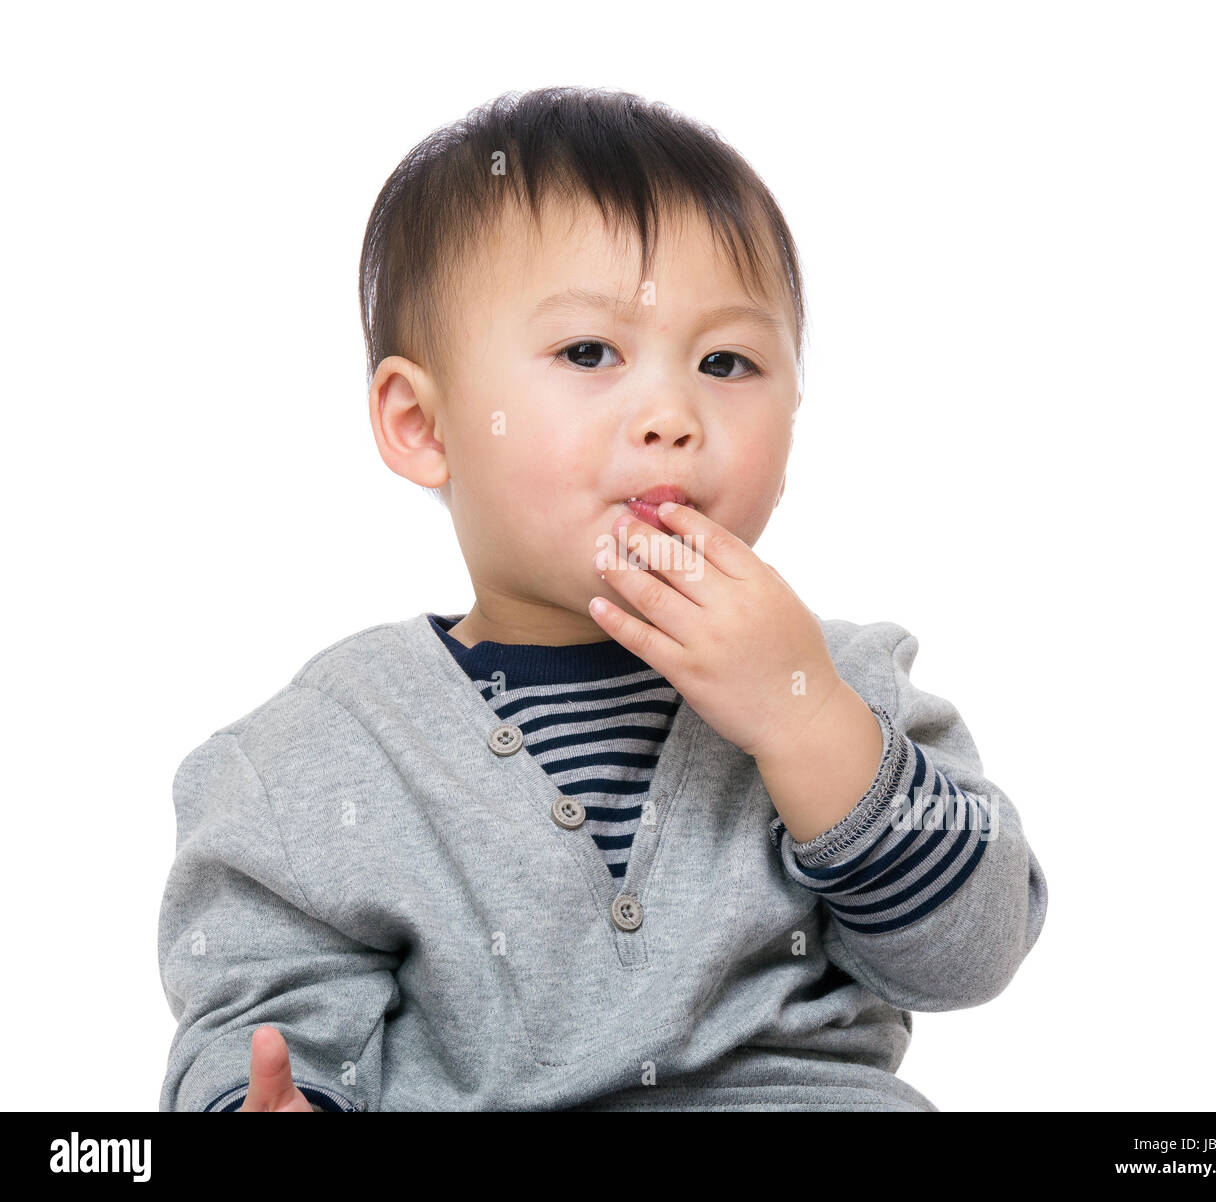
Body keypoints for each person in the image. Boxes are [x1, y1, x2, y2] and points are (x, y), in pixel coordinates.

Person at [157, 85, 1048, 1113]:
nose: (671, 412)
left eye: (727, 361)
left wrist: (805, 720)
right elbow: (258, 1024)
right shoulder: (320, 751)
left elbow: (970, 954)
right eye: (588, 352)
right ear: (422, 422)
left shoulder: (845, 685)